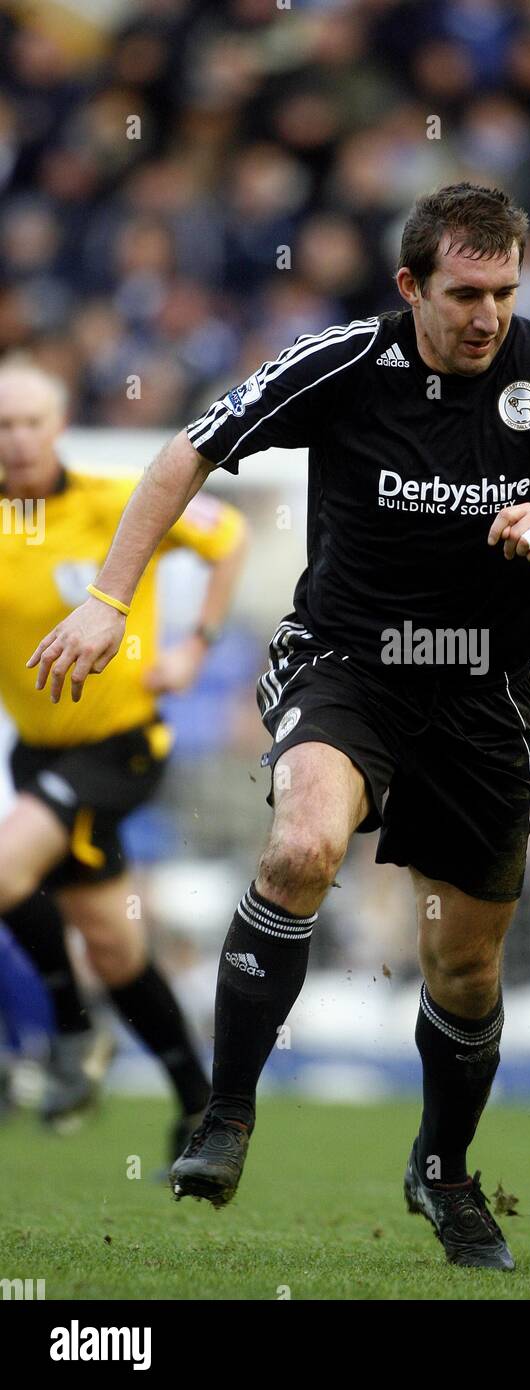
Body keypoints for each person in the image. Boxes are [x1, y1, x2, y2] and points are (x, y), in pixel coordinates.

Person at [29, 183, 530, 1270]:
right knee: (301, 843)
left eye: (502, 292)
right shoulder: (339, 361)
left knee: (465, 974)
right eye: (462, 293)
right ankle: (226, 1112)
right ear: (410, 286)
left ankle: (442, 1168)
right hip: (346, 663)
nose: (485, 315)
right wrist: (107, 600)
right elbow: (182, 454)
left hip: (482, 692)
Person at [0, 361, 248, 1157]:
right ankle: (197, 1103)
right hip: (38, 756)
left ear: (59, 423)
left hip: (124, 745)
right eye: (2, 427)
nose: (15, 440)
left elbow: (230, 535)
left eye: (29, 423)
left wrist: (195, 646)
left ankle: (71, 1036)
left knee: (4, 874)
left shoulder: (117, 500)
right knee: (113, 946)